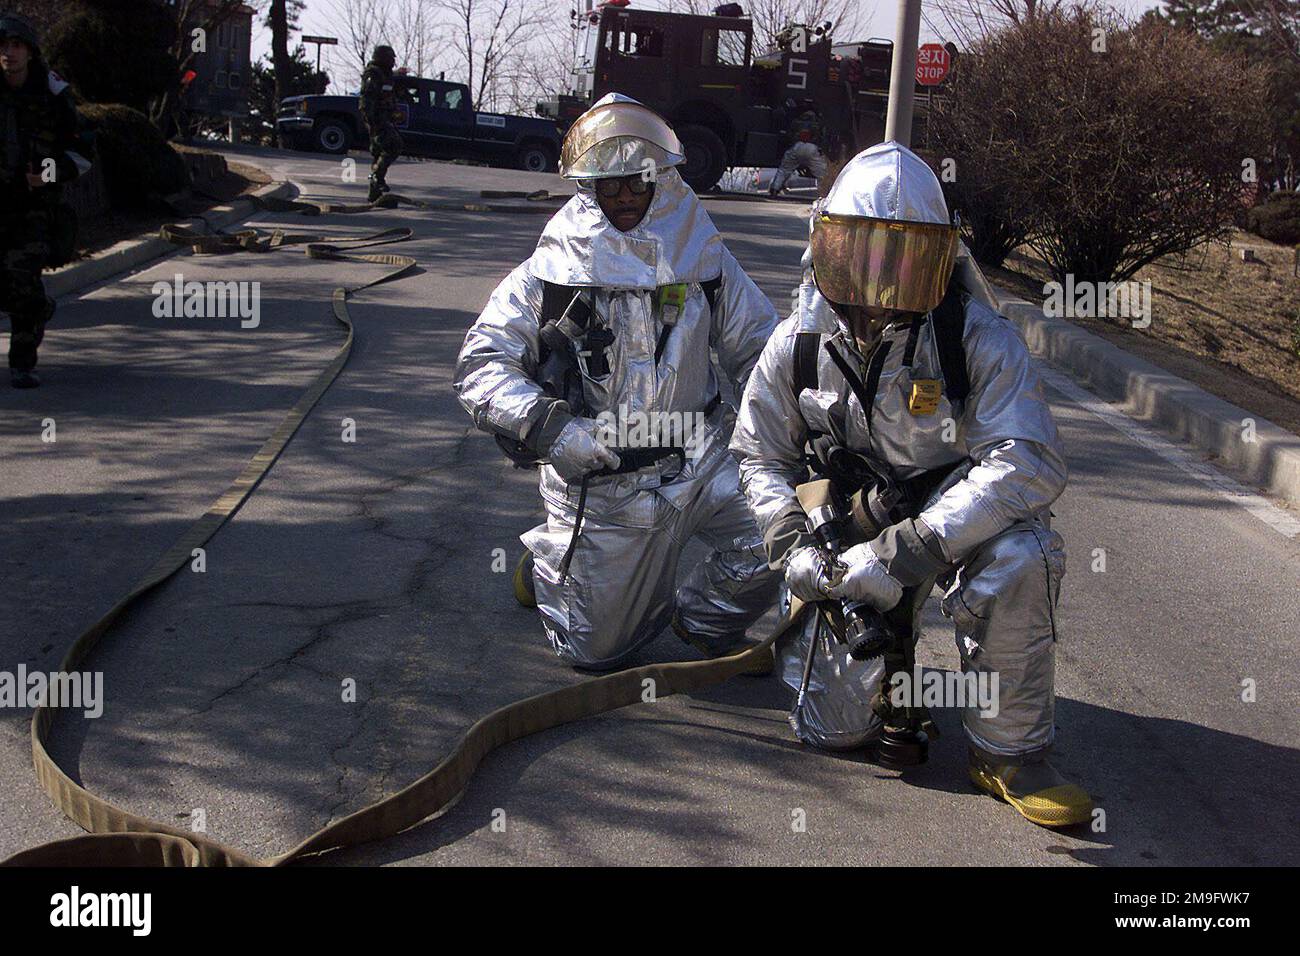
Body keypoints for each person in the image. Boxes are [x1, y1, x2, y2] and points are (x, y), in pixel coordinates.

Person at [731, 141, 1094, 828]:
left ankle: (1009, 752)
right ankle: (859, 665)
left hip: (948, 526)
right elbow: (758, 452)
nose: (877, 281)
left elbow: (1028, 459)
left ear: (940, 261)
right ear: (825, 248)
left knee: (1021, 555)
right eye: (860, 254)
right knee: (833, 732)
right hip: (846, 531)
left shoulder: (975, 338)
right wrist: (794, 548)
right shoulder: (799, 344)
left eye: (902, 259)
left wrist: (906, 552)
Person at [454, 94, 781, 671]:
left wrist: (789, 437)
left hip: (702, 454)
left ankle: (699, 619)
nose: (626, 196)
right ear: (589, 189)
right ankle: (557, 563)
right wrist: (552, 429)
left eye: (638, 181)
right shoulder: (550, 275)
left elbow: (762, 350)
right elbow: (482, 362)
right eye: (611, 184)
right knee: (598, 652)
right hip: (605, 479)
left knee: (786, 536)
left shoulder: (704, 262)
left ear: (661, 181)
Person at [0, 12, 88, 389]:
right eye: (2, 47)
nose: (8, 54)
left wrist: (48, 173)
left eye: (16, 46)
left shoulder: (53, 95)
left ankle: (22, 362)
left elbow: (83, 154)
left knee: (22, 282)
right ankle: (38, 309)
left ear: (31, 52)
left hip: (31, 210)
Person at [359, 44, 403, 203]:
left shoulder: (386, 75)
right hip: (377, 120)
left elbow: (388, 97)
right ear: (382, 58)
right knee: (394, 145)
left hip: (385, 118)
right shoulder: (374, 75)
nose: (393, 61)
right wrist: (373, 122)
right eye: (391, 58)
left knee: (378, 153)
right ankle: (377, 177)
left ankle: (375, 194)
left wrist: (394, 112)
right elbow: (368, 101)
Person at [769, 107, 827, 196]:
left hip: (797, 147)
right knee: (822, 173)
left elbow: (788, 135)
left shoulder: (796, 123)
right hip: (812, 148)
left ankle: (775, 189)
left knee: (784, 169)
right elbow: (823, 138)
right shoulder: (817, 124)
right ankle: (824, 193)